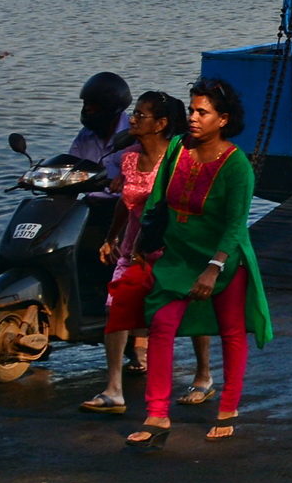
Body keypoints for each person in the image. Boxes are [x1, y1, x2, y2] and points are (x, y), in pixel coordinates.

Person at [124, 78, 273, 451]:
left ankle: (228, 408)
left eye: (202, 112)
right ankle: (157, 415)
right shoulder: (176, 148)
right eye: (191, 110)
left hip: (221, 257)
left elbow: (236, 224)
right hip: (177, 256)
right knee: (161, 324)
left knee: (231, 331)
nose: (192, 117)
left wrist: (214, 267)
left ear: (222, 120)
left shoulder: (237, 166)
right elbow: (157, 200)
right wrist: (143, 242)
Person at [79, 91, 211, 415]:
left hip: (172, 249)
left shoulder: (182, 160)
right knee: (117, 309)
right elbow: (126, 205)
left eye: (140, 115)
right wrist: (111, 238)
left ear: (161, 124)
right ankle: (113, 390)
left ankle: (204, 376)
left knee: (191, 311)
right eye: (135, 114)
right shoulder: (129, 159)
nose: (133, 119)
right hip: (133, 250)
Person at [62, 72, 133, 167]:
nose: (87, 108)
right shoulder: (85, 135)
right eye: (86, 103)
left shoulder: (134, 134)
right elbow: (71, 166)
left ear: (109, 105)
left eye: (93, 103)